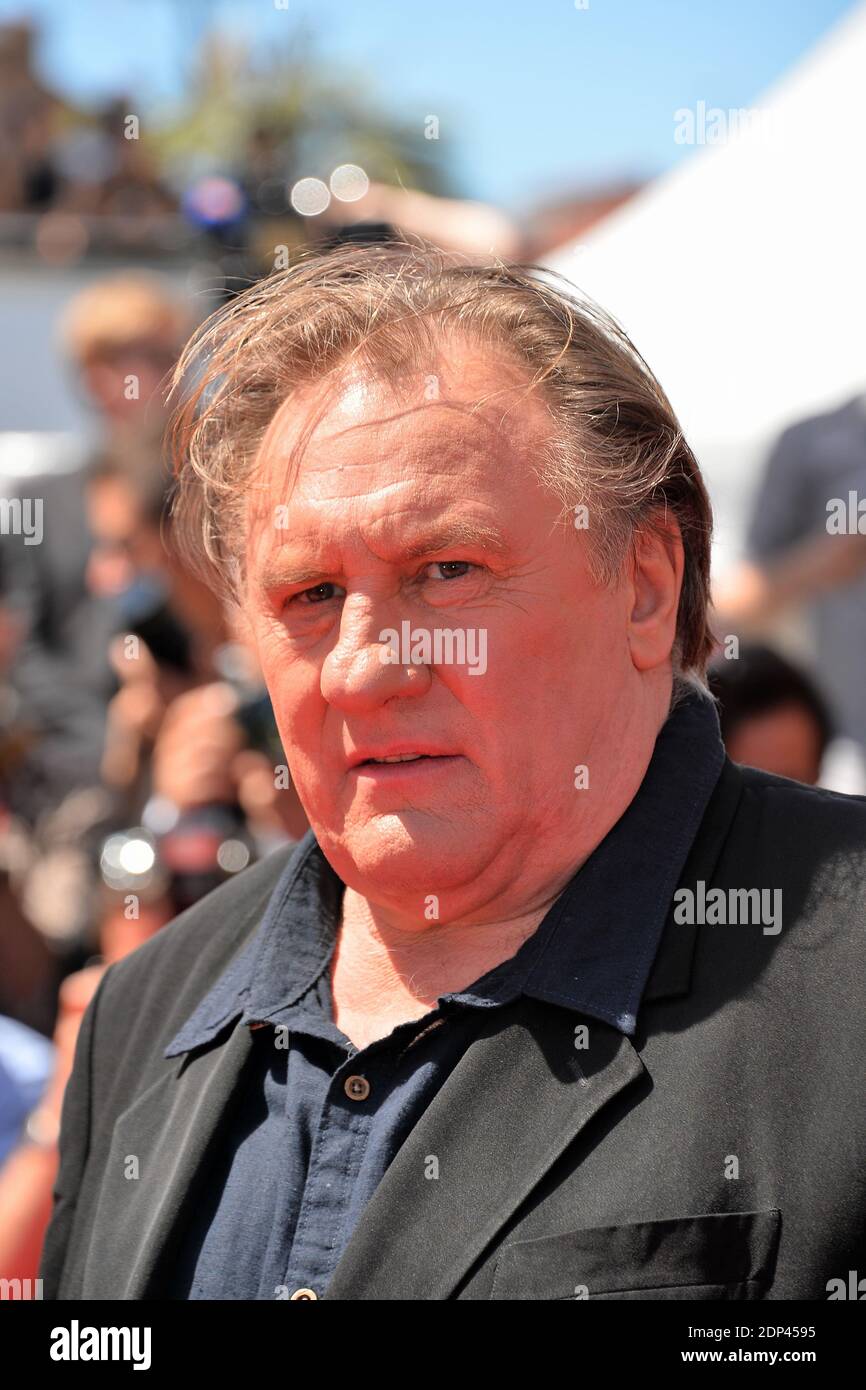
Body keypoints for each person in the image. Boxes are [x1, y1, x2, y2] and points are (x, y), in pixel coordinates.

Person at [40, 244, 866, 1301]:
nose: (361, 670)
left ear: (645, 587)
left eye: (445, 571)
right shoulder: (146, 1009)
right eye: (307, 593)